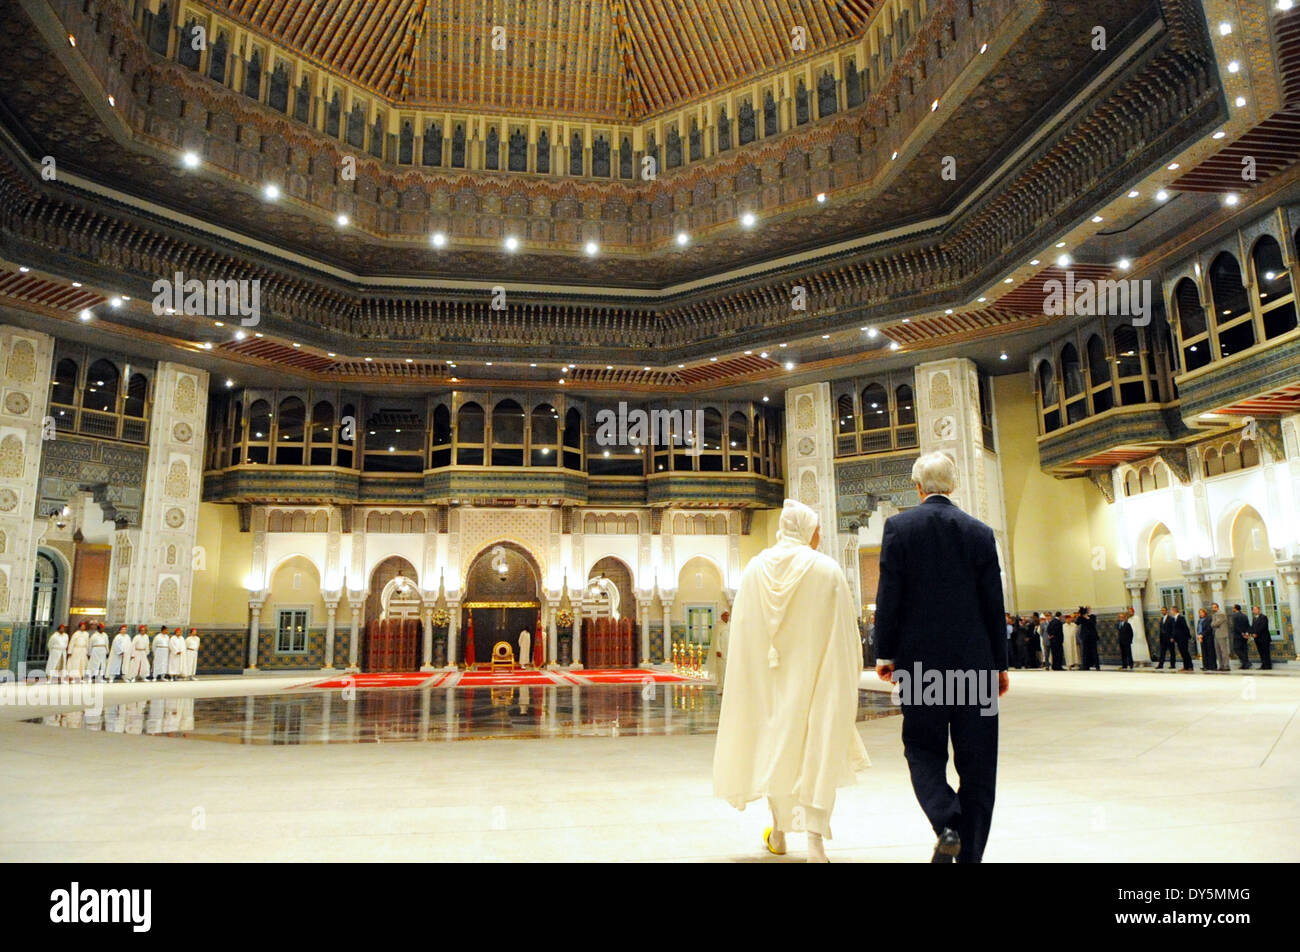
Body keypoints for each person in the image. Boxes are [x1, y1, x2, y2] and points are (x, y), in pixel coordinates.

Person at [713, 498, 869, 863]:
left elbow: (743, 637)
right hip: (818, 683)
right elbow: (846, 637)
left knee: (775, 749)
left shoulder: (753, 571)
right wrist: (844, 679)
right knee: (817, 754)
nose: (819, 538)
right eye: (817, 531)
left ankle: (779, 833)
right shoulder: (827, 571)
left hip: (768, 686)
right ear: (806, 530)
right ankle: (815, 844)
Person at [874, 453, 1007, 864]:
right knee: (979, 763)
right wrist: (999, 665)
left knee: (922, 748)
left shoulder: (899, 528)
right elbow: (993, 604)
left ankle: (946, 822)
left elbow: (889, 596)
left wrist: (885, 652)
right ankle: (970, 857)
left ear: (917, 487)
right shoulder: (980, 533)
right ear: (953, 486)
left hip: (920, 666)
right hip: (976, 666)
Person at [1170, 606, 1193, 672]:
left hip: (1183, 638)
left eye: (1172, 610)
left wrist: (1188, 636)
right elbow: (1174, 630)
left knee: (1185, 652)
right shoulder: (1174, 619)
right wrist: (1173, 637)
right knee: (1182, 653)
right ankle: (1185, 666)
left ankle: (1190, 666)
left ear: (1174, 611)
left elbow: (1185, 628)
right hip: (1178, 639)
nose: (1171, 612)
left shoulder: (1181, 618)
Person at [1249, 606, 1273, 670]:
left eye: (1255, 609)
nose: (1254, 611)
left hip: (1264, 638)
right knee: (1261, 652)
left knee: (1266, 652)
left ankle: (1268, 666)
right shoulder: (1254, 618)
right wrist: (1251, 633)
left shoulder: (1264, 617)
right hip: (1257, 639)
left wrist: (1256, 634)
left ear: (1259, 610)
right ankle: (1263, 665)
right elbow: (1253, 627)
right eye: (1253, 610)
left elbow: (1263, 627)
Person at [713, 609, 730, 693]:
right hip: (721, 652)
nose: (727, 617)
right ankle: (720, 689)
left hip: (729, 651)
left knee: (728, 671)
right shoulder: (718, 626)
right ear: (722, 616)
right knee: (721, 671)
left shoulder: (730, 625)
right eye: (725, 615)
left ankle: (727, 689)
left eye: (728, 615)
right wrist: (718, 650)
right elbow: (716, 639)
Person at [1211, 603, 1232, 672]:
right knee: (1218, 651)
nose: (1213, 609)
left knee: (1224, 651)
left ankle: (1226, 666)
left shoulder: (1221, 614)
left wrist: (1213, 623)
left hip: (1222, 634)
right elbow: (1213, 624)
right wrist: (1213, 623)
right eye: (1212, 607)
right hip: (1216, 634)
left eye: (1214, 607)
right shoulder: (1215, 614)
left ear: (1217, 607)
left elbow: (1215, 623)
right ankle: (1221, 665)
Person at [1231, 605, 1252, 669]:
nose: (1232, 609)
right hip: (1245, 636)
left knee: (1236, 649)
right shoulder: (1244, 615)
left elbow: (1236, 626)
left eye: (1233, 608)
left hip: (1238, 635)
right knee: (1244, 650)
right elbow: (1248, 625)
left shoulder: (1234, 616)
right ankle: (1245, 664)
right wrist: (1247, 633)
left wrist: (1242, 633)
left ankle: (1246, 662)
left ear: (1235, 609)